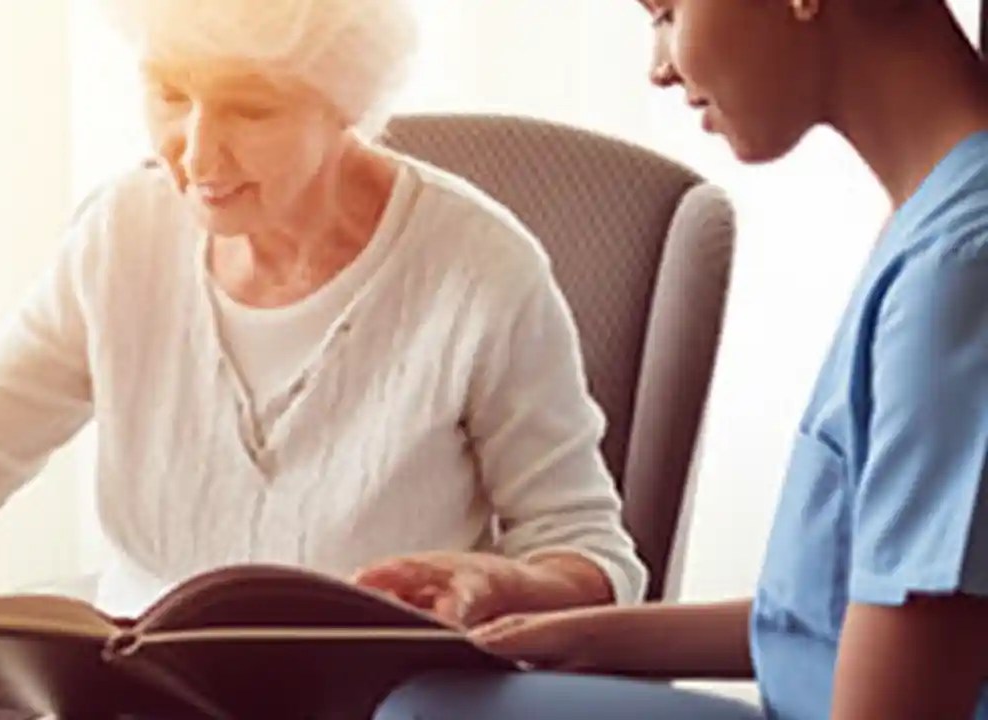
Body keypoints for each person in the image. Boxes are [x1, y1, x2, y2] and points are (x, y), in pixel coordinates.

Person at [0, 0, 648, 712]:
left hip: (379, 708)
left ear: (344, 106)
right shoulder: (122, 239)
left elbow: (593, 552)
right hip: (138, 704)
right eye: (171, 94)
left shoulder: (481, 269)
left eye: (250, 109)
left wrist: (504, 586)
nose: (196, 153)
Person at [374, 0, 988, 718]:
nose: (659, 66)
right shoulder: (934, 227)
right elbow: (827, 622)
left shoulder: (959, 271)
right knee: (433, 697)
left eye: (666, 10)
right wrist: (551, 633)